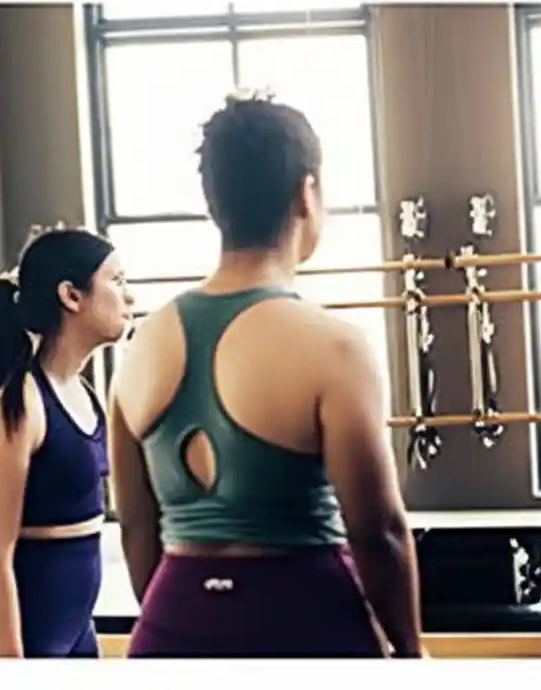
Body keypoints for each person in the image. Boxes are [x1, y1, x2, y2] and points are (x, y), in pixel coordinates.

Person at [108, 92, 423, 658]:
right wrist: (410, 649)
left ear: (215, 204)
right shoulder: (334, 346)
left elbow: (135, 527)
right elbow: (378, 533)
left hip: (170, 625)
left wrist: (187, 618)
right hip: (306, 622)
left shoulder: (141, 347)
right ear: (306, 193)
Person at [0, 228, 134, 658]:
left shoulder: (84, 395)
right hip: (19, 642)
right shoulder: (22, 406)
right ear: (72, 295)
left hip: (75, 633)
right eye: (118, 281)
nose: (130, 297)